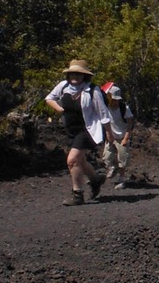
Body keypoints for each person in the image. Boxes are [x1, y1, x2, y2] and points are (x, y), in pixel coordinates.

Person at [44, 59, 111, 206]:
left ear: (85, 76)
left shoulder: (93, 90)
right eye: (73, 73)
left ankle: (77, 195)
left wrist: (109, 134)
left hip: (88, 129)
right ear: (69, 75)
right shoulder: (63, 86)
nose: (76, 76)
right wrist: (60, 109)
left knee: (72, 160)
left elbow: (103, 114)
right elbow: (49, 98)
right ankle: (95, 180)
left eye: (79, 74)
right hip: (71, 129)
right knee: (80, 161)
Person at [98, 81, 136, 189]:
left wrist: (126, 138)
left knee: (122, 160)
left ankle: (122, 180)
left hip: (122, 136)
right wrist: (107, 135)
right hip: (110, 136)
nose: (114, 101)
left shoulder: (124, 108)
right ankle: (112, 168)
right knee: (107, 157)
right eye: (112, 99)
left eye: (116, 99)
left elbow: (130, 124)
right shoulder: (105, 108)